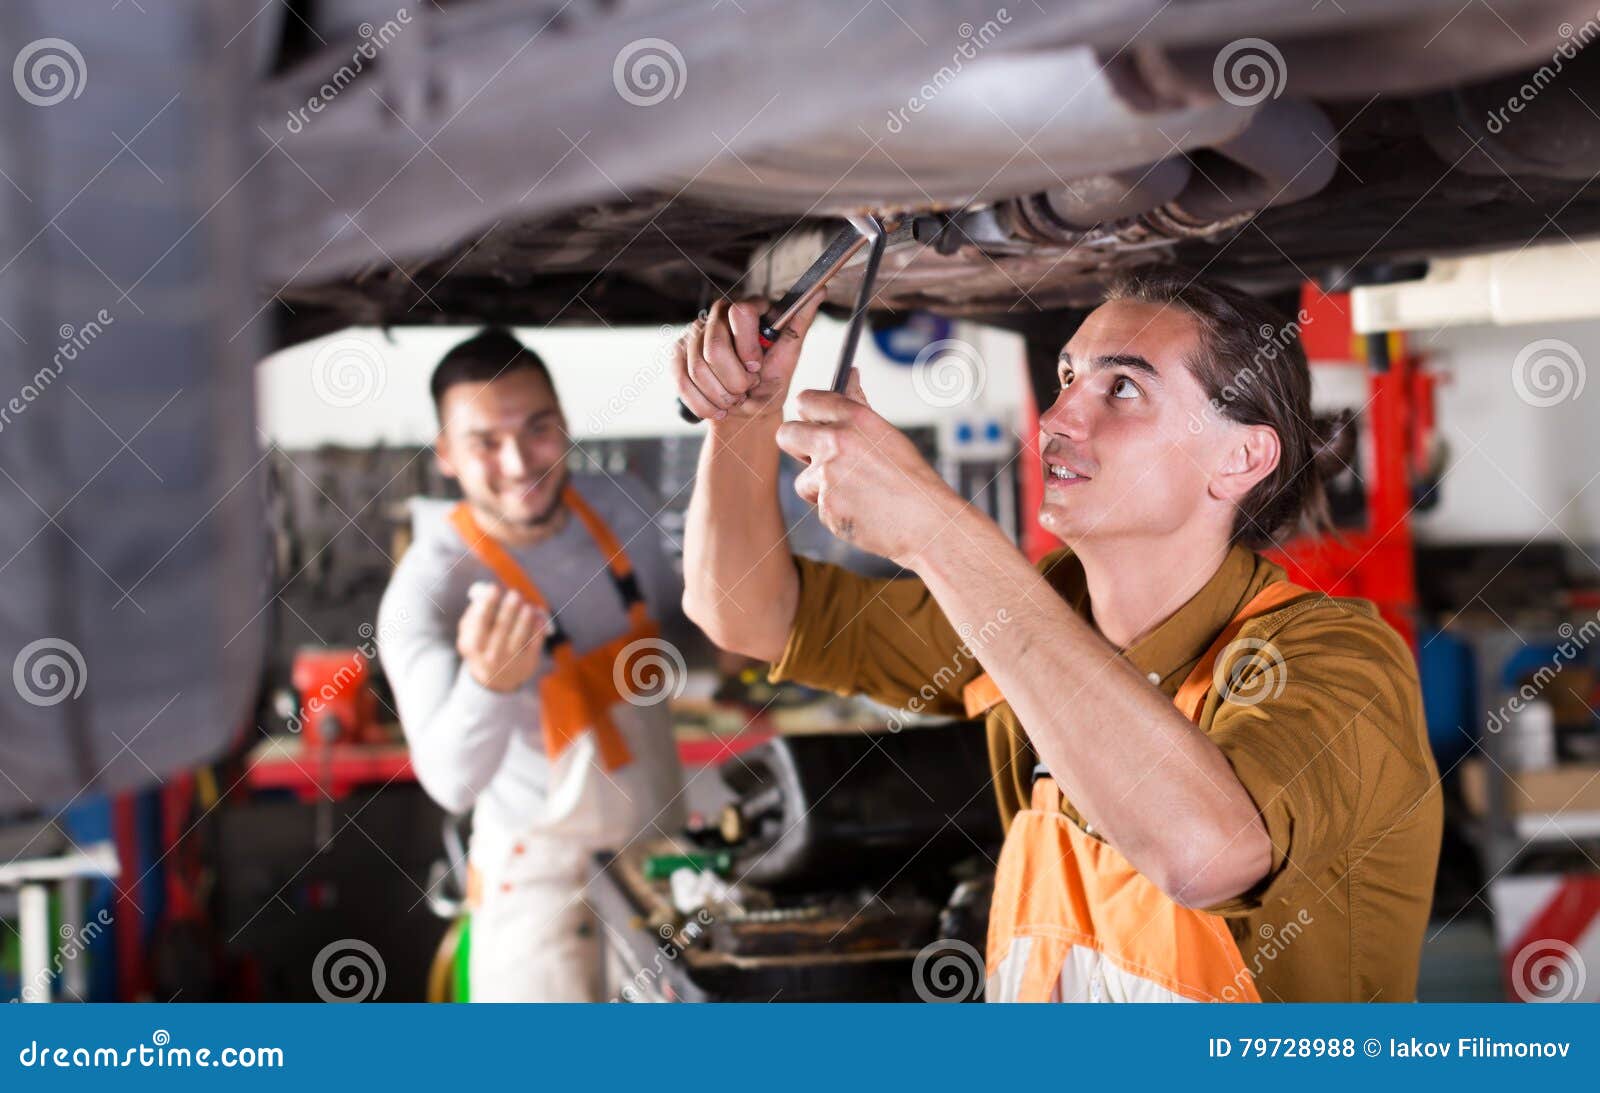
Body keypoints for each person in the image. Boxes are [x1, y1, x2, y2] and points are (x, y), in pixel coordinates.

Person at [676, 271, 1442, 1002]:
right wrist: (747, 415)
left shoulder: (1341, 662)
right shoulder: (1036, 612)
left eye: (1124, 388)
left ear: (1241, 457)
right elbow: (747, 610)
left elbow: (1205, 853)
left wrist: (936, 532)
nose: (1059, 419)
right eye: (1068, 377)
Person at [378, 328, 685, 1001]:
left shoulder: (620, 509)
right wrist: (488, 686)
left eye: (538, 428)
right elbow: (451, 782)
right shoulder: (427, 593)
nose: (518, 462)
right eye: (484, 441)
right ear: (446, 456)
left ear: (566, 424)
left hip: (663, 865)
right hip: (540, 893)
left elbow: (687, 636)